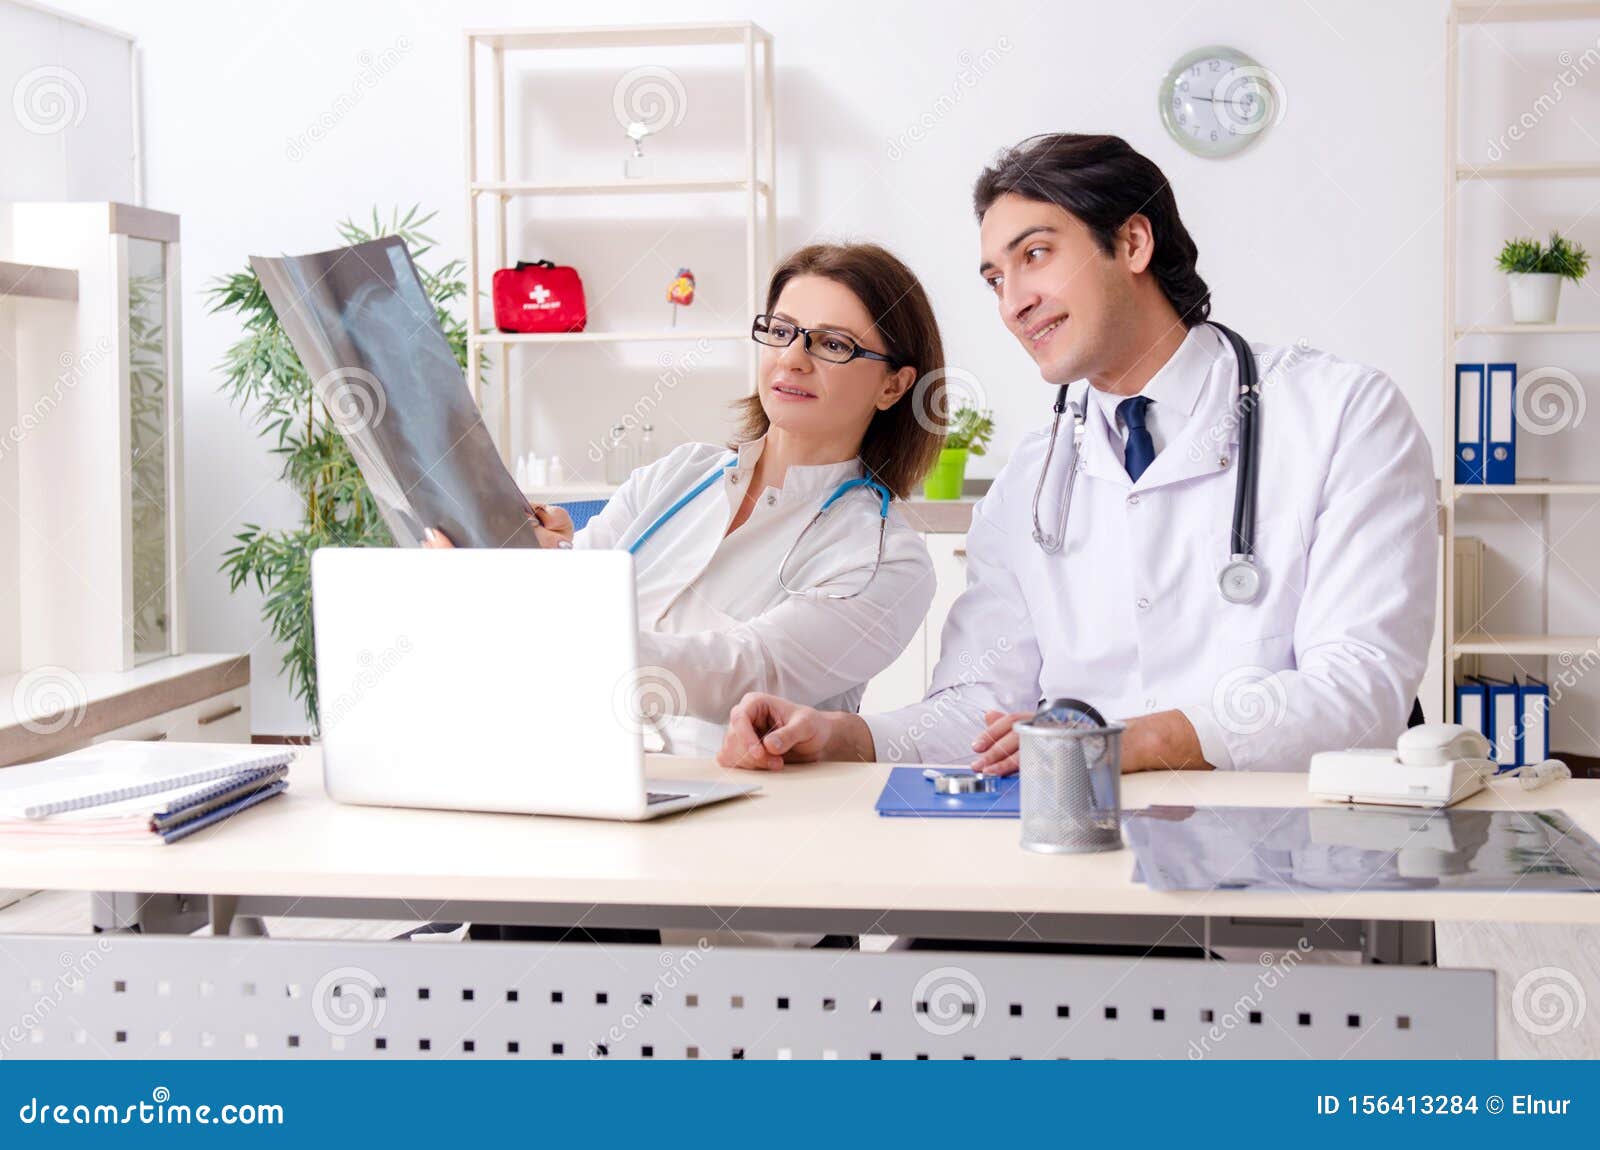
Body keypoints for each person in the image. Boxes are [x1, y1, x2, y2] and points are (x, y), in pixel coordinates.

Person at [717, 133, 1437, 776]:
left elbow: (1361, 692)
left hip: (1285, 851)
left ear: (1133, 243)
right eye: (996, 279)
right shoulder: (1031, 483)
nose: (1013, 303)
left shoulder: (1343, 414)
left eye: (1035, 255)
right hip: (1079, 840)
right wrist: (845, 736)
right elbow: (978, 711)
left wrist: (1134, 740)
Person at [427, 242, 946, 758]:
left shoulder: (886, 560)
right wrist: (535, 559)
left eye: (833, 344)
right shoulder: (679, 474)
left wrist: (522, 603)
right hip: (567, 758)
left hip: (721, 794)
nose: (792, 358)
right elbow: (579, 587)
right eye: (781, 331)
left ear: (894, 386)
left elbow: (745, 671)